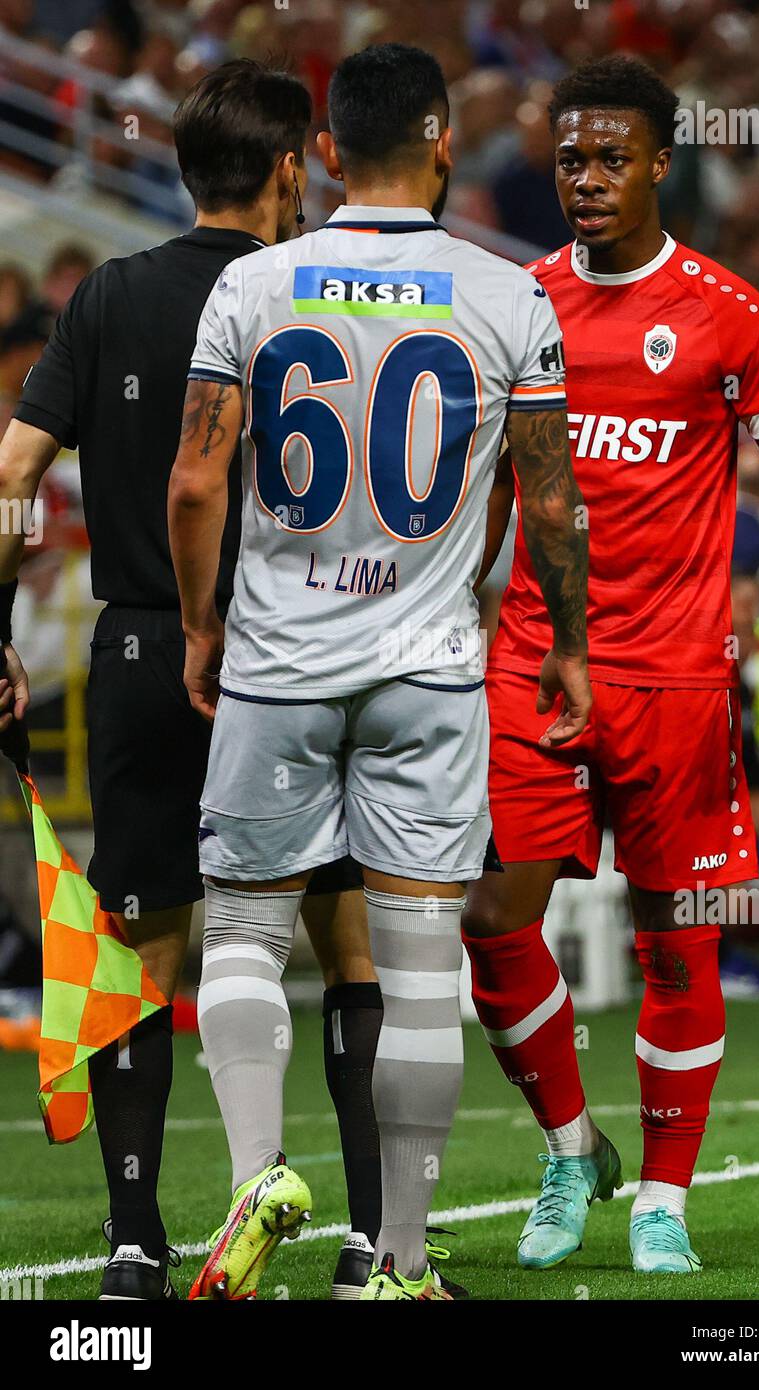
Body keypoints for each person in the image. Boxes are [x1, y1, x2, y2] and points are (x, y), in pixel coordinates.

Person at [168, 41, 591, 1303]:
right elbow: (551, 500)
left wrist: (202, 624)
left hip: (280, 661)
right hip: (429, 670)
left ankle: (258, 1178)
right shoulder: (508, 296)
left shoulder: (256, 284)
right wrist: (561, 641)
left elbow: (197, 477)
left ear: (328, 155)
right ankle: (396, 1262)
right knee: (417, 961)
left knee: (241, 929)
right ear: (445, 141)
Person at [0, 59, 382, 1301]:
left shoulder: (109, 294)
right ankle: (373, 1243)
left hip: (140, 651)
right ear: (290, 167)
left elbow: (13, 472)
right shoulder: (324, 293)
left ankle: (129, 1246)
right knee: (346, 941)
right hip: (301, 647)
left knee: (144, 956)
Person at [465, 55, 759, 1276]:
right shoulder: (520, 300)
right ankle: (572, 1146)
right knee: (490, 918)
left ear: (660, 165)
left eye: (609, 159)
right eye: (568, 159)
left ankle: (665, 1196)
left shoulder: (728, 312)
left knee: (676, 940)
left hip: (679, 677)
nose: (584, 180)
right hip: (531, 659)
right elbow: (485, 485)